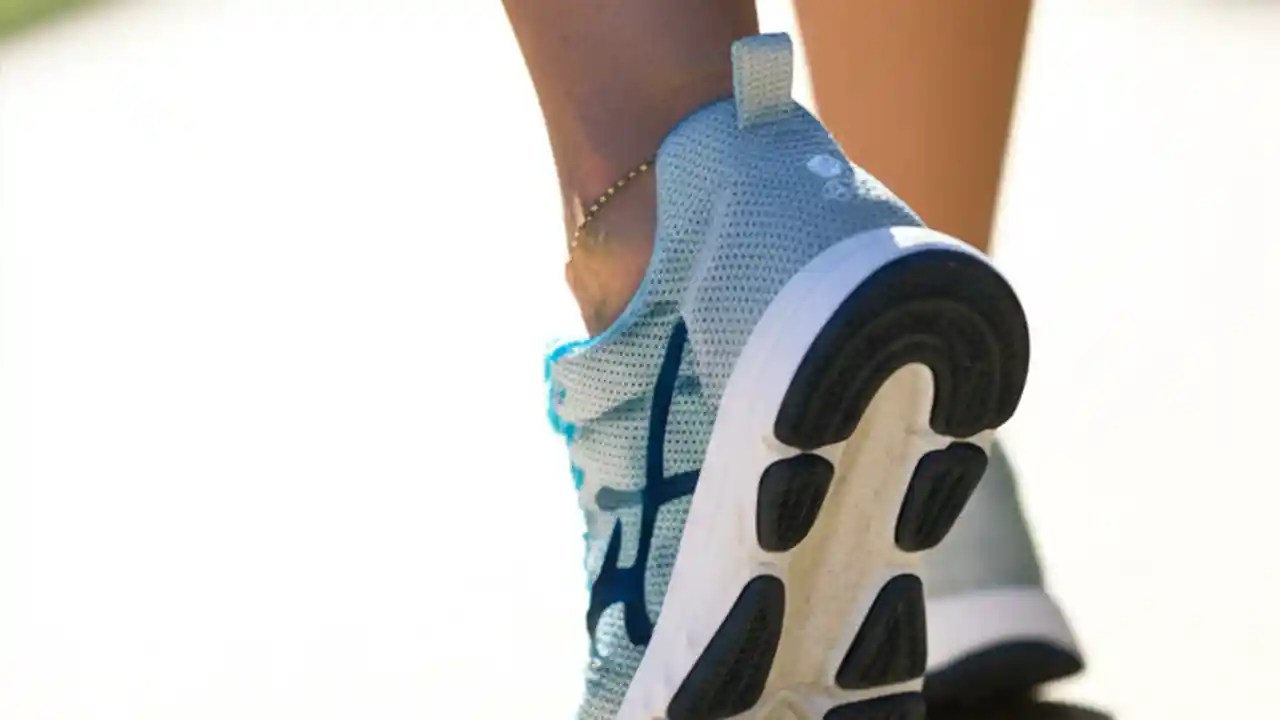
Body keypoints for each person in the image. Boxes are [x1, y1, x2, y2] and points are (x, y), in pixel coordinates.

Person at [504, 3, 1082, 717]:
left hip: (719, 305)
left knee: (664, 178)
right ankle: (890, 443)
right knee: (828, 281)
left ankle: (677, 269)